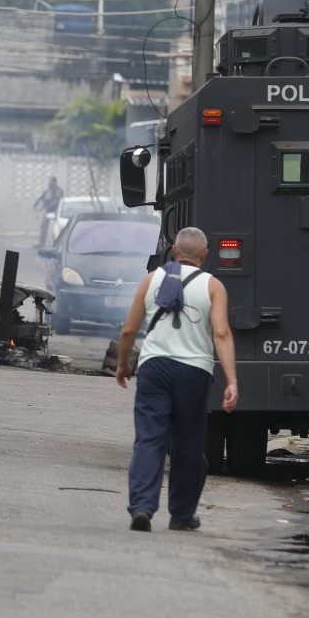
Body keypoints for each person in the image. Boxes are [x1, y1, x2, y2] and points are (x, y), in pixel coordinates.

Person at [114, 226, 238, 533]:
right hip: (194, 372)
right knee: (189, 443)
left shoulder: (151, 280)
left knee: (149, 438)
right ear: (204, 254)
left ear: (173, 251)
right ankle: (181, 515)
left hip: (154, 368)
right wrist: (232, 381)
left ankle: (142, 507)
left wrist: (123, 364)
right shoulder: (213, 286)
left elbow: (128, 330)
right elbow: (222, 334)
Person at [33, 176, 63, 246]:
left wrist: (47, 207)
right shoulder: (47, 191)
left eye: (51, 182)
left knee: (56, 228)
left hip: (56, 212)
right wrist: (36, 205)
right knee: (43, 227)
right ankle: (41, 243)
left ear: (55, 182)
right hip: (47, 212)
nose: (49, 183)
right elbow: (41, 198)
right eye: (49, 182)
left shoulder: (59, 191)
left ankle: (57, 244)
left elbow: (57, 201)